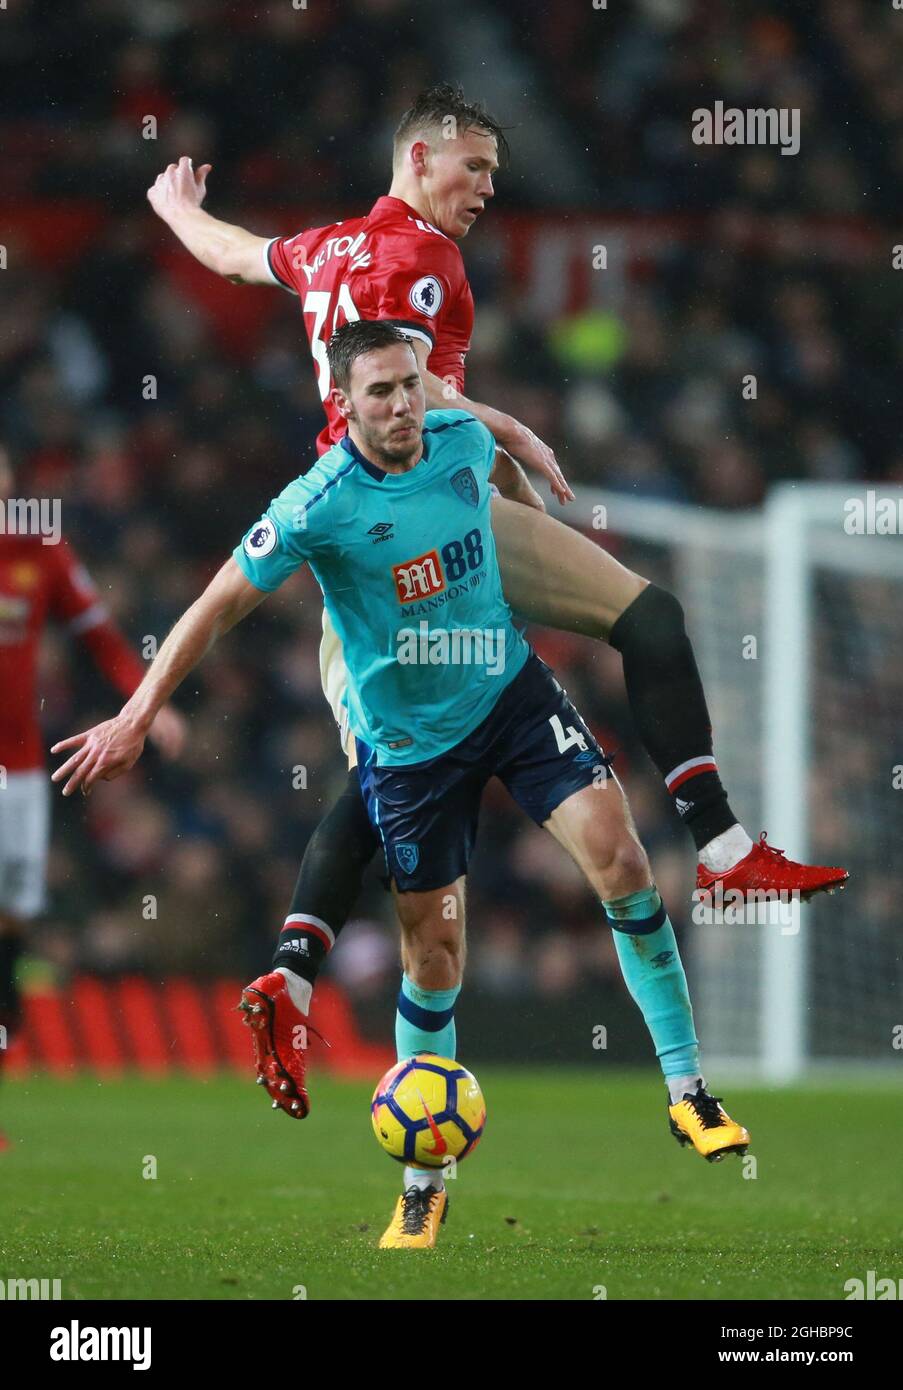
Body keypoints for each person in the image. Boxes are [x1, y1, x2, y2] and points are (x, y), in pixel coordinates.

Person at [144, 84, 848, 1125]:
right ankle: (720, 847)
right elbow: (402, 381)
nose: (484, 190)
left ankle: (294, 975)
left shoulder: (327, 248)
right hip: (393, 520)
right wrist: (511, 428)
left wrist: (173, 210)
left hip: (406, 524)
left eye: (494, 176)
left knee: (401, 760)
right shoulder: (417, 260)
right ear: (420, 156)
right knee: (628, 631)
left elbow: (238, 254)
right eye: (472, 168)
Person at [51, 324, 839, 1245]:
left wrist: (523, 488)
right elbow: (217, 603)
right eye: (379, 392)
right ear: (342, 404)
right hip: (410, 753)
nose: (400, 406)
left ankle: (686, 1089)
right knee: (435, 960)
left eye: (409, 386)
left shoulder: (462, 440)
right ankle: (424, 1183)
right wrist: (139, 711)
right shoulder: (317, 506)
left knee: (623, 860)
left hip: (508, 691)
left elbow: (505, 504)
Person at [0, 444, 185, 1148]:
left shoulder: (37, 550)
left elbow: (100, 635)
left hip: (18, 773)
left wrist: (147, 702)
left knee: (11, 926)